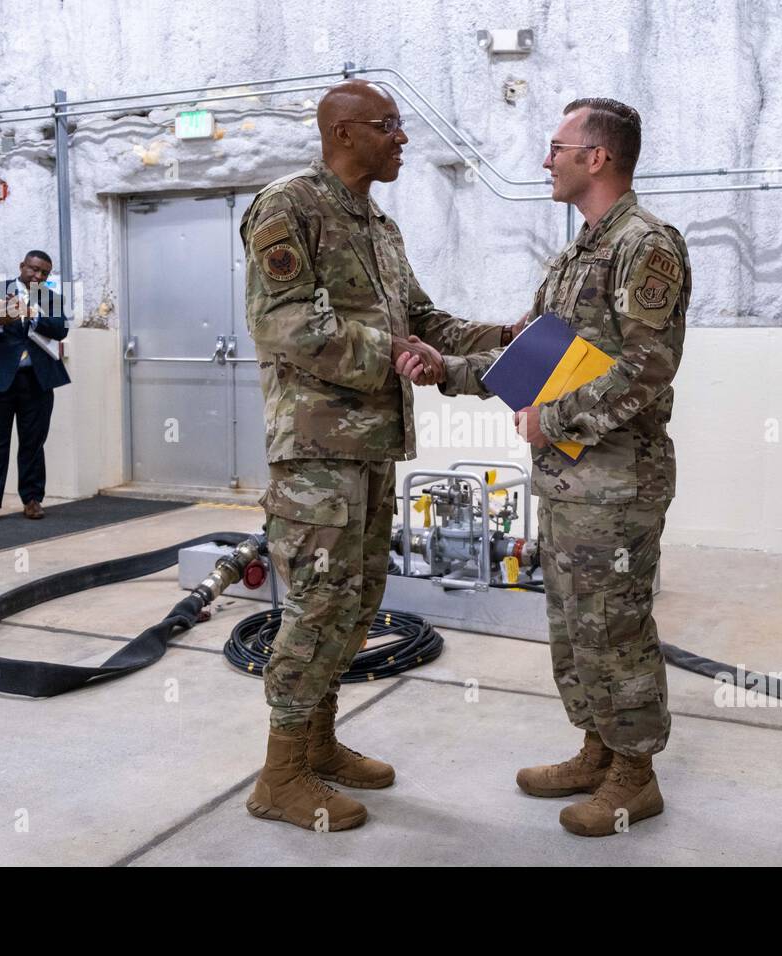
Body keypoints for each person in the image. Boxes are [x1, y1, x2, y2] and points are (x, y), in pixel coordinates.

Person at [403, 98, 690, 836]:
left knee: (617, 626)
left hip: (618, 482)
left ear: (597, 157)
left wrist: (552, 418)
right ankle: (597, 747)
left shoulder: (646, 245)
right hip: (567, 479)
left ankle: (636, 774)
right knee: (573, 623)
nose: (546, 159)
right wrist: (445, 369)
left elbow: (648, 368)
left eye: (557, 146)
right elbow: (529, 361)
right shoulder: (575, 255)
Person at [240, 79, 516, 831]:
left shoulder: (379, 227)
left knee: (356, 604)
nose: (403, 140)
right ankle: (280, 774)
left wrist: (503, 336)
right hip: (316, 452)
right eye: (389, 127)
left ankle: (320, 743)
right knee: (315, 607)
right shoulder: (286, 206)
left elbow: (422, 319)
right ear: (344, 133)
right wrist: (393, 352)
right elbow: (286, 325)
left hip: (370, 452)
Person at [0, 250, 70, 525]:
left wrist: (31, 314)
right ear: (22, 265)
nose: (38, 276)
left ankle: (32, 500)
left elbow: (60, 329)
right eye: (33, 269)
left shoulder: (51, 298)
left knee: (33, 444)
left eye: (44, 273)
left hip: (37, 381)